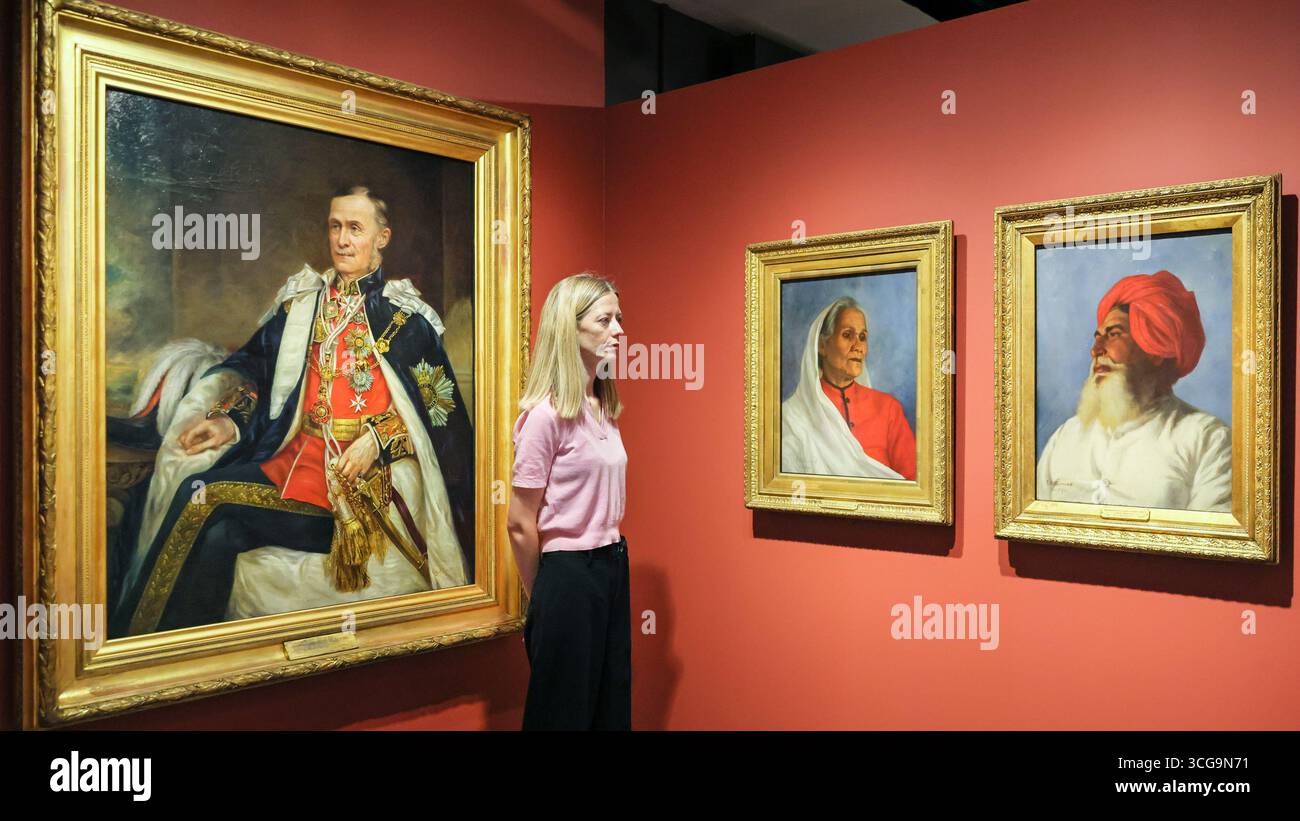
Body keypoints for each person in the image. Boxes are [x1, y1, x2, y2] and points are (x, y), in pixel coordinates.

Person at [109, 185, 474, 637]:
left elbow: (444, 420)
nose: (341, 240)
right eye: (335, 227)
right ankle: (171, 654)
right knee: (217, 529)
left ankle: (136, 638)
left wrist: (378, 440)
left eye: (355, 229)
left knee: (205, 494)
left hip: (358, 488)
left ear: (382, 237)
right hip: (294, 459)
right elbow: (255, 372)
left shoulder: (409, 322)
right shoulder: (304, 306)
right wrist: (229, 419)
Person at [508, 272, 630, 731]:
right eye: (606, 320)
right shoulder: (542, 418)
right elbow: (520, 523)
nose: (619, 330)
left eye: (619, 318)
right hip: (568, 575)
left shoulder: (603, 407)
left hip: (613, 563)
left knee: (609, 707)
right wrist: (546, 597)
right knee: (562, 715)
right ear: (569, 327)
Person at [1037, 269, 1231, 512]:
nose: (1096, 350)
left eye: (1114, 335)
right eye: (1097, 337)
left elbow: (1211, 540)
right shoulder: (1066, 435)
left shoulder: (1206, 439)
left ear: (1156, 349)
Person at [781, 297, 916, 480]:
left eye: (862, 337)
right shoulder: (794, 415)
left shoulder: (888, 408)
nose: (858, 347)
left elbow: (913, 482)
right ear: (822, 345)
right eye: (847, 335)